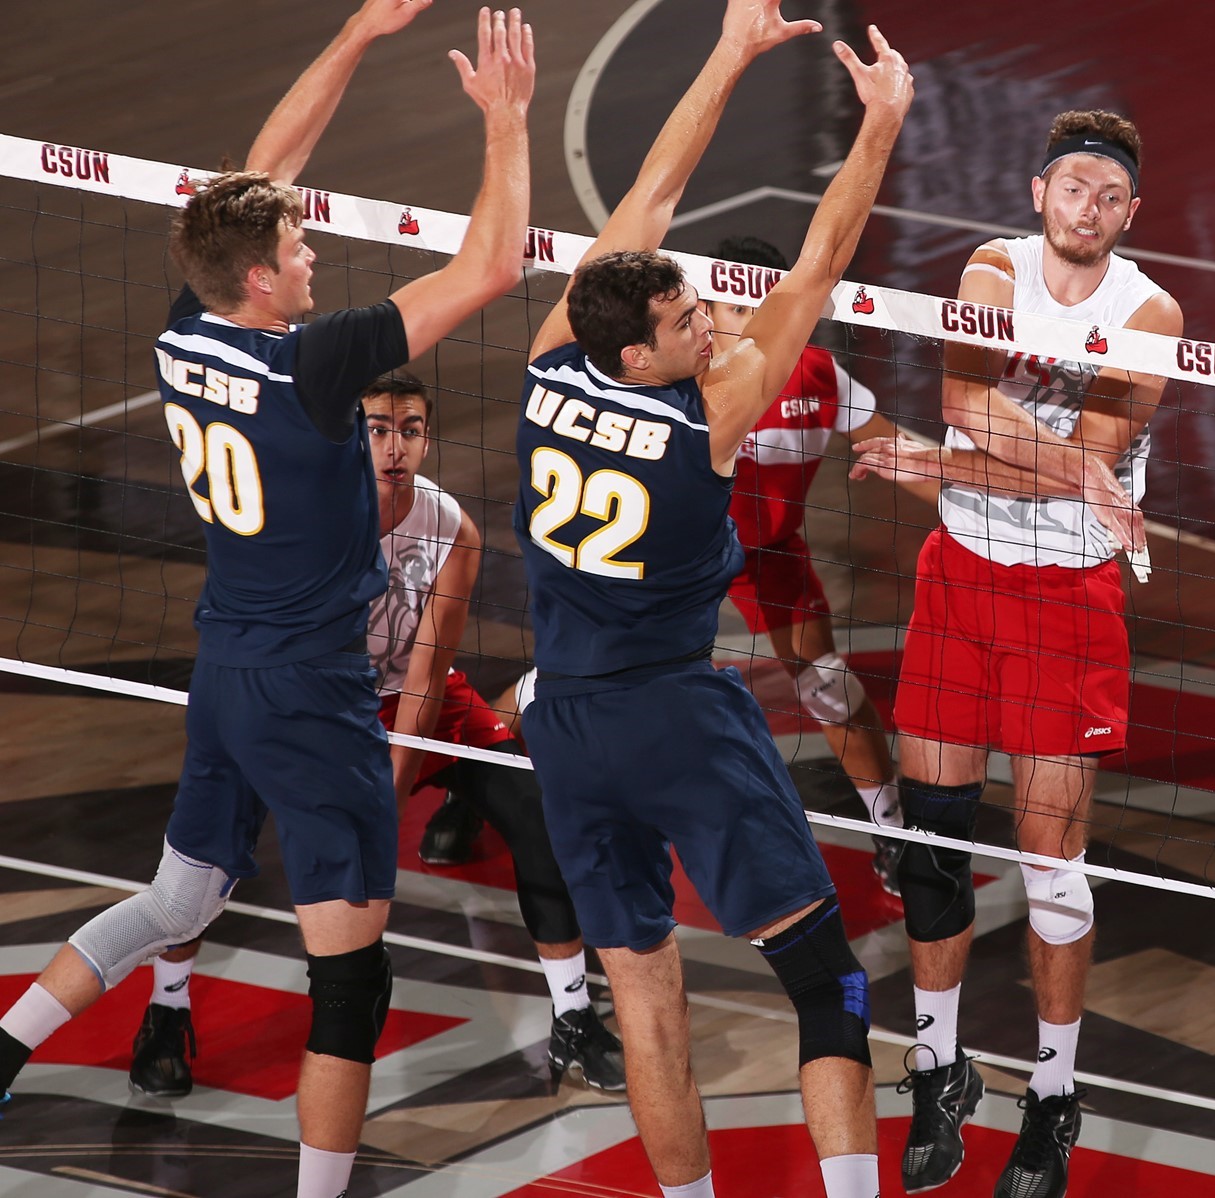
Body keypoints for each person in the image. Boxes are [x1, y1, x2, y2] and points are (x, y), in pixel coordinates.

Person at [0, 6, 535, 1197]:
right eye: (298, 251)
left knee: (182, 894)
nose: (313, 257)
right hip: (309, 690)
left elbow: (258, 175)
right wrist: (505, 122)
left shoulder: (186, 332)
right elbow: (494, 265)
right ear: (257, 277)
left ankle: (4, 1044)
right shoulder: (309, 362)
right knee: (353, 979)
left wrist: (357, 30)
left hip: (227, 668)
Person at [509, 4, 911, 1196]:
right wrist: (879, 124)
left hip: (566, 728)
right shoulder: (710, 412)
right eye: (684, 318)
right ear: (637, 353)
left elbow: (652, 189)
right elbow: (821, 266)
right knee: (828, 977)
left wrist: (727, 53)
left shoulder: (550, 359)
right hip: (677, 720)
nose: (706, 317)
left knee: (644, 998)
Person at [125, 371, 625, 1099]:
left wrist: (387, 796)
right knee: (214, 848)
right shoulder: (304, 515)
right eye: (379, 428)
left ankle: (574, 1017)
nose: (396, 446)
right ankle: (166, 1012)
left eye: (412, 429)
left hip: (416, 699)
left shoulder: (452, 528)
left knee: (539, 812)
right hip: (315, 702)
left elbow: (426, 679)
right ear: (350, 434)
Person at [847, 108, 1181, 1198]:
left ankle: (1053, 1094)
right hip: (960, 580)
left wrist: (942, 461)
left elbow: (1046, 449)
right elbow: (961, 401)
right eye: (1073, 185)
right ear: (1038, 192)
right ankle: (938, 1066)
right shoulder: (990, 269)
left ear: (1131, 214)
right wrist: (1022, 459)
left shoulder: (1151, 312)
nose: (1088, 206)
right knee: (934, 846)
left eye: (1110, 195)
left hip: (1066, 603)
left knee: (1049, 866)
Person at [706, 233, 937, 894]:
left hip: (769, 553)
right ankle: (483, 766)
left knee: (827, 684)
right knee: (594, 683)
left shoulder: (818, 375)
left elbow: (893, 452)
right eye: (735, 309)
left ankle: (892, 828)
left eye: (764, 309)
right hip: (677, 559)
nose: (750, 325)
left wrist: (974, 509)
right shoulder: (680, 377)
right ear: (709, 311)